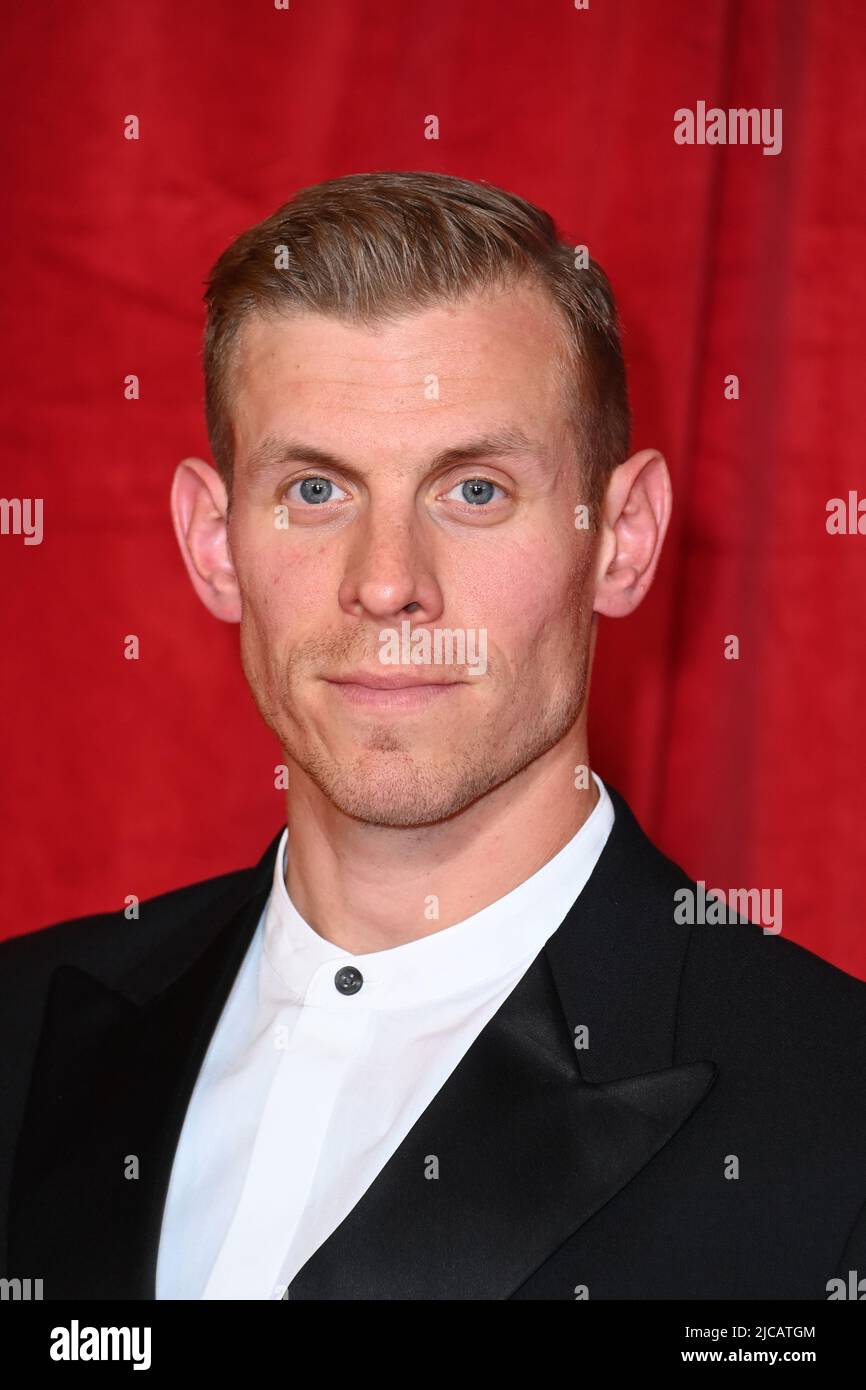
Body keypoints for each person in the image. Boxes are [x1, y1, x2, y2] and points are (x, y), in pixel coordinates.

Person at [2, 171, 865, 1301]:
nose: (387, 584)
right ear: (214, 543)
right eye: (315, 490)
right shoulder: (20, 1029)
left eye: (473, 491)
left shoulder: (833, 1113)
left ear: (620, 538)